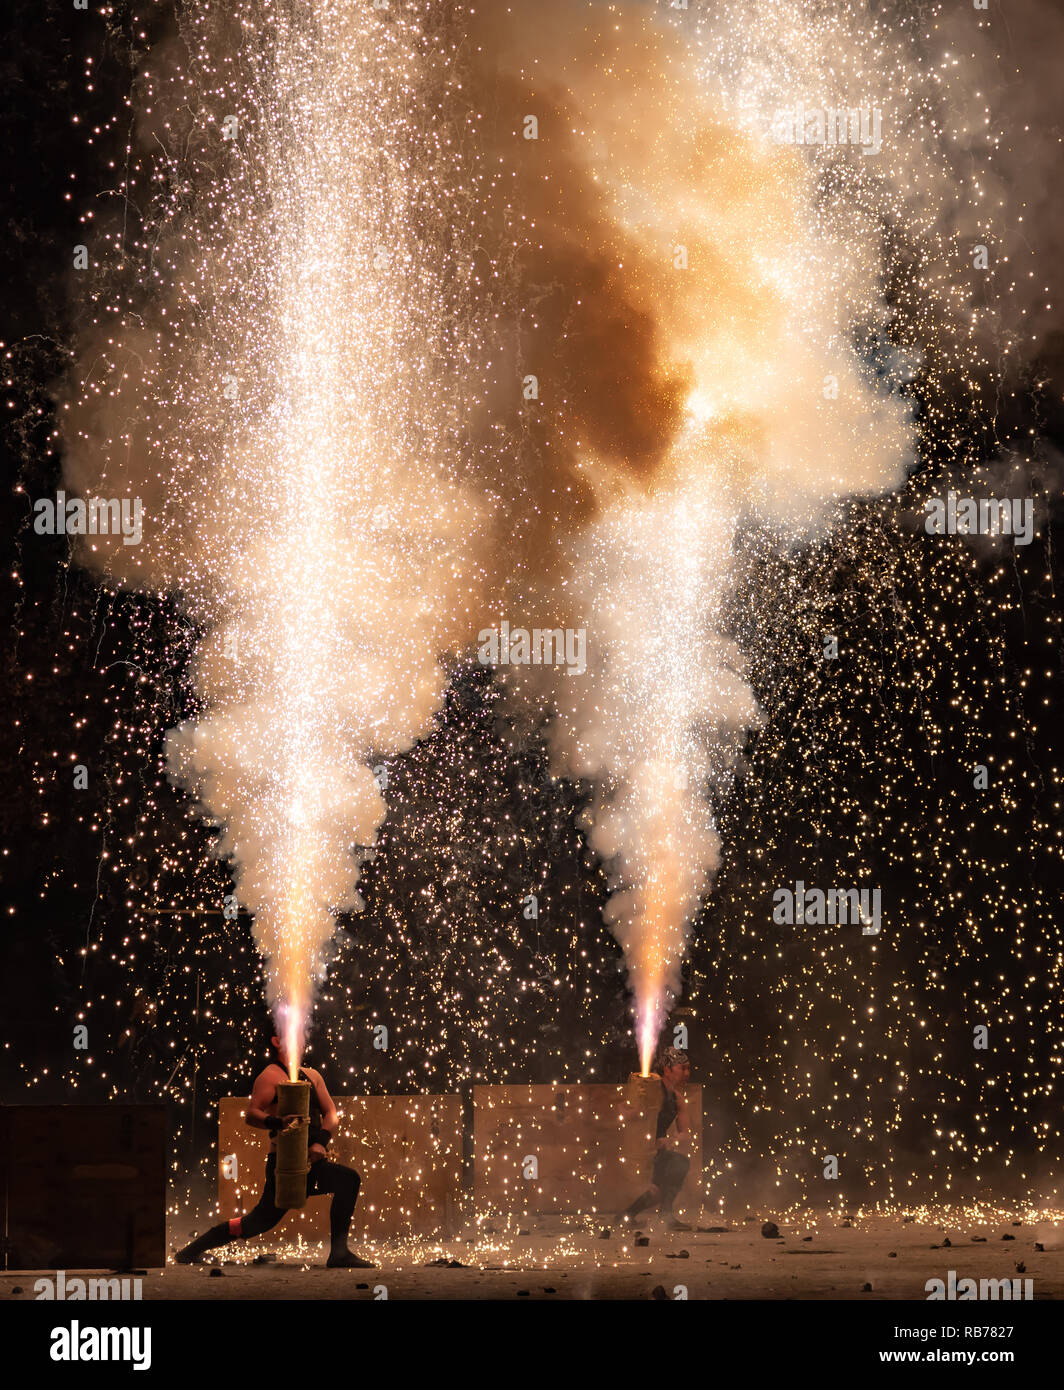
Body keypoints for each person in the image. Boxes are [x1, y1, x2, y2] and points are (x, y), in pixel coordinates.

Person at [176, 1027, 374, 1267]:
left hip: (312, 1165)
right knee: (256, 1223)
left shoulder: (313, 1075)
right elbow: (252, 1115)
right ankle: (191, 1251)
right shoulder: (270, 1076)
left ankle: (339, 1253)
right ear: (276, 1040)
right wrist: (278, 1122)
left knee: (348, 1180)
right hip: (284, 1165)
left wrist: (320, 1142)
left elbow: (331, 1113)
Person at [618, 1047, 692, 1230]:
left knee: (667, 1178)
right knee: (665, 1179)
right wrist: (638, 1113)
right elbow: (623, 1112)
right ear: (667, 1070)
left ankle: (634, 1216)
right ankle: (637, 1216)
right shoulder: (648, 1090)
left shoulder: (677, 1099)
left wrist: (670, 1141)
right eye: (682, 1068)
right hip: (637, 1151)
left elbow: (686, 1134)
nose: (686, 1073)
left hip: (658, 1151)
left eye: (688, 1068)